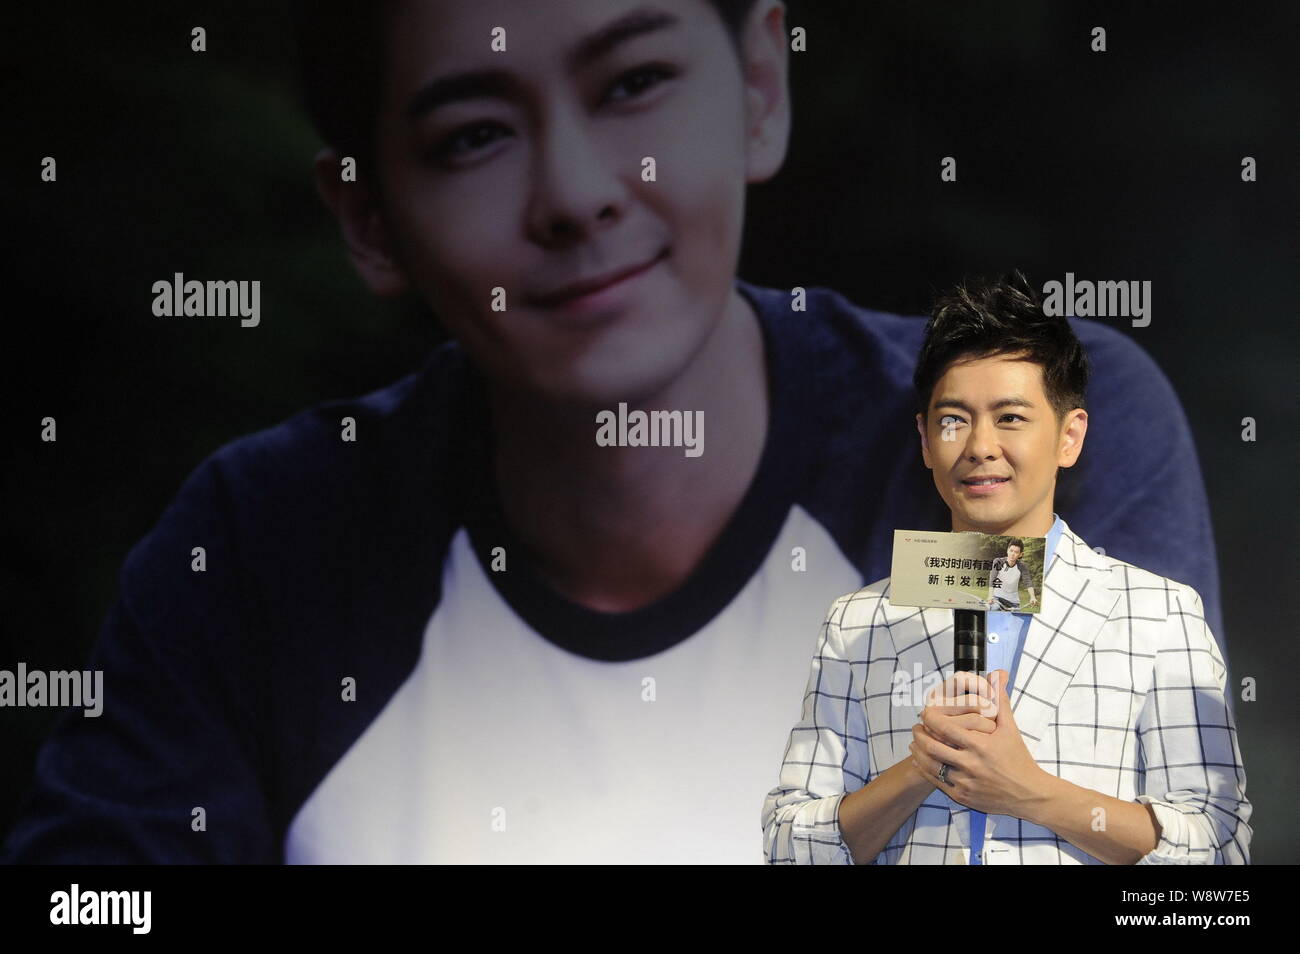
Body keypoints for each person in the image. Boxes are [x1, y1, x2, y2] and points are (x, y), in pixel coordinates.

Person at [3, 1, 1228, 863]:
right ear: (371, 217)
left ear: (758, 86)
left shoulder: (1020, 439)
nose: (576, 189)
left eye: (634, 82)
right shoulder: (264, 555)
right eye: (473, 133)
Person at [762, 272, 1251, 864]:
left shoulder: (1158, 613)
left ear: (1070, 437)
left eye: (1011, 418)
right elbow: (790, 844)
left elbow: (1219, 842)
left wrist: (1032, 793)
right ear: (923, 438)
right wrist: (921, 767)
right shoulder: (859, 621)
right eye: (953, 419)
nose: (979, 446)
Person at [986, 539, 1034, 611]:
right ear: (1007, 550)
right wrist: (990, 596)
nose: (1013, 554)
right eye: (1011, 551)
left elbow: (1028, 582)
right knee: (994, 609)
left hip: (1013, 601)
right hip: (997, 597)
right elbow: (992, 579)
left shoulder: (1022, 566)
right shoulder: (998, 561)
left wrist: (1032, 597)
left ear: (1020, 554)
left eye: (1016, 552)